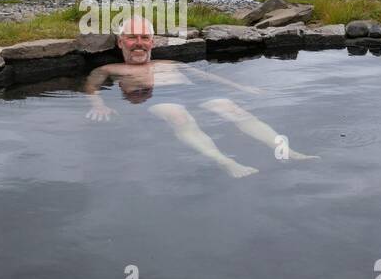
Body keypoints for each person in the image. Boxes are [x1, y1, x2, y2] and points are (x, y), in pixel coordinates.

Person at [83, 15, 316, 177]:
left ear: (152, 42)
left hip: (192, 90)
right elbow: (92, 84)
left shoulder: (168, 62)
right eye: (133, 37)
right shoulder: (113, 69)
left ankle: (287, 151)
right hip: (155, 96)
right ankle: (226, 162)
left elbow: (206, 77)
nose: (139, 43)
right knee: (179, 117)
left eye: (144, 38)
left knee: (233, 110)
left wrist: (241, 88)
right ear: (121, 41)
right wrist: (98, 103)